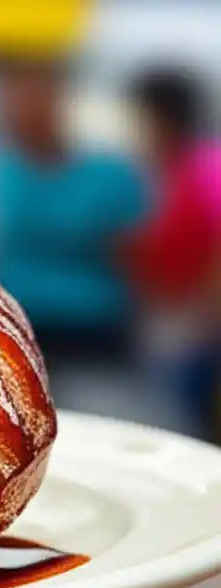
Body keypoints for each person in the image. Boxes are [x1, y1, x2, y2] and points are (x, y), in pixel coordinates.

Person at [0, 58, 150, 418]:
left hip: (92, 328)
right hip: (17, 327)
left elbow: (133, 257)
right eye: (16, 98)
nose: (25, 109)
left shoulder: (109, 174)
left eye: (36, 96)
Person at [127, 67, 221, 438]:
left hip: (194, 319)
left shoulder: (206, 165)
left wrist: (206, 317)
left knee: (185, 418)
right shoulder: (155, 167)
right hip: (162, 313)